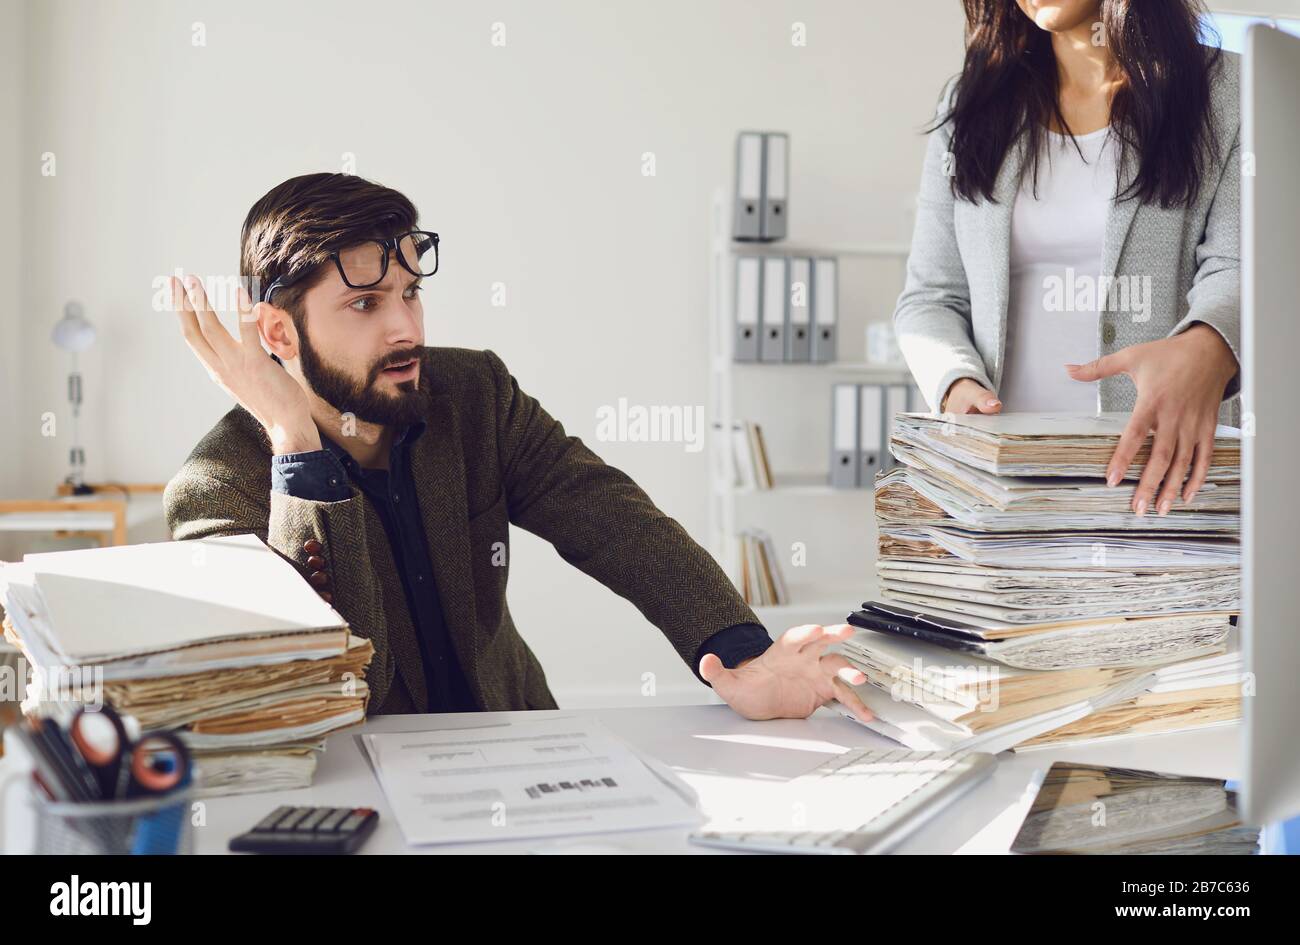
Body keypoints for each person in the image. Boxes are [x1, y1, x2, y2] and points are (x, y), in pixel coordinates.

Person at [163, 172, 872, 721]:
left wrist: (741, 653)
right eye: (365, 304)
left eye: (410, 292)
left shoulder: (474, 394)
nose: (405, 328)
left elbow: (612, 517)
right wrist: (297, 447)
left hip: (516, 748)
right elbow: (326, 686)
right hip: (355, 793)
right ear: (279, 334)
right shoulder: (217, 486)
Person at [895, 0, 1240, 516]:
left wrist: (1208, 345)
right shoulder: (971, 102)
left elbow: (1241, 264)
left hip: (1168, 480)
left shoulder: (1228, 91)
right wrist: (955, 384)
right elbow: (930, 298)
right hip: (1004, 491)